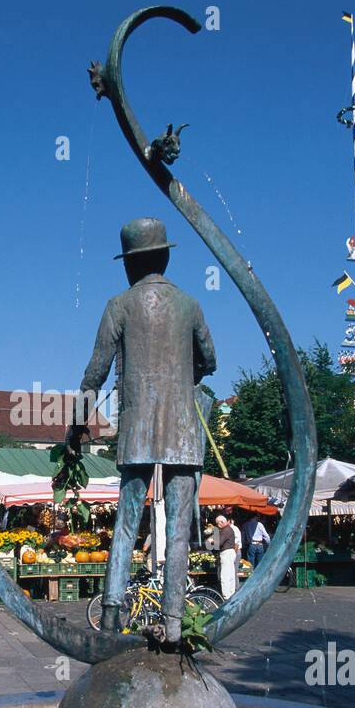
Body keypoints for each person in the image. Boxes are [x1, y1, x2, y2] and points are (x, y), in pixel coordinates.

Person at [67, 217, 216, 643]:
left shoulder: (119, 305)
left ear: (129, 264)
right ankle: (173, 623)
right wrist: (181, 373)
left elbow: (94, 372)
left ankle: (111, 616)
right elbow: (210, 359)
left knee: (126, 525)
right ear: (165, 258)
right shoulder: (189, 305)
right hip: (183, 434)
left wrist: (76, 425)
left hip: (136, 432)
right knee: (178, 531)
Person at [214, 515, 238, 599]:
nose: (217, 525)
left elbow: (219, 543)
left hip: (226, 553)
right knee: (230, 575)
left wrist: (211, 541)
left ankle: (226, 597)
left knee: (225, 576)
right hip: (230, 552)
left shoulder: (225, 530)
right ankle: (231, 594)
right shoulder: (229, 529)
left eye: (218, 523)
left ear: (222, 522)